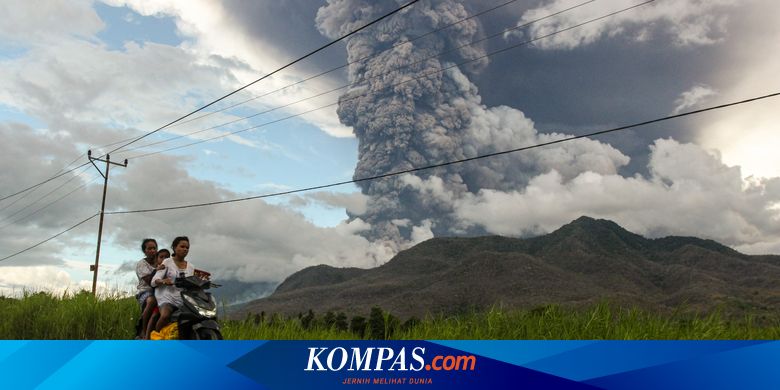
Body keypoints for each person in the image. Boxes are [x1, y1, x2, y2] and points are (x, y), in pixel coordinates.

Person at [151, 236, 195, 332]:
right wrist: (163, 281)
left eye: (187, 248)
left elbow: (191, 284)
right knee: (165, 315)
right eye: (182, 246)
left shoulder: (191, 267)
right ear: (175, 247)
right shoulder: (167, 262)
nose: (185, 249)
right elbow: (154, 281)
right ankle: (156, 338)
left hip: (182, 298)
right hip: (167, 296)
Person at [135, 238, 158, 339]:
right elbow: (150, 281)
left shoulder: (160, 261)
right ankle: (144, 331)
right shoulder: (141, 264)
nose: (153, 250)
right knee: (152, 301)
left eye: (154, 248)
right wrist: (158, 270)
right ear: (145, 251)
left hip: (160, 290)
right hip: (145, 291)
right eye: (149, 248)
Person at [145, 248, 170, 340]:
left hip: (170, 297)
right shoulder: (157, 270)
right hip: (159, 298)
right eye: (161, 257)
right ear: (157, 259)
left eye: (166, 257)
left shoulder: (171, 269)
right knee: (155, 315)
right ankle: (147, 337)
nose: (164, 259)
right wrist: (156, 271)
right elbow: (152, 282)